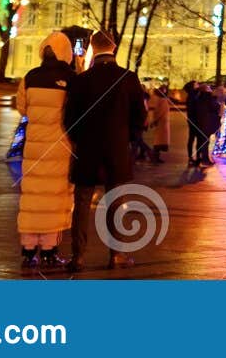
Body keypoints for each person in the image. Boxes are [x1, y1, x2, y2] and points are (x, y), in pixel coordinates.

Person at [63, 31, 148, 271]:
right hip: (116, 151)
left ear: (93, 47)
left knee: (81, 204)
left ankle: (78, 256)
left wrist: (81, 140)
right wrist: (127, 140)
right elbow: (139, 117)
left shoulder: (81, 80)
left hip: (87, 151)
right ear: (114, 47)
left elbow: (69, 119)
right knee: (116, 203)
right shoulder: (128, 79)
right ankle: (116, 254)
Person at [17, 32, 76, 272]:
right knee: (54, 198)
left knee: (31, 197)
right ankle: (50, 250)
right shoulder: (70, 78)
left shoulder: (30, 77)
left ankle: (29, 249)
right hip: (59, 146)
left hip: (33, 147)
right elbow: (75, 111)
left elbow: (22, 108)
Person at [147, 84, 172, 163]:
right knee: (158, 141)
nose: (165, 91)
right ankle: (154, 157)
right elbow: (158, 111)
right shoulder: (160, 99)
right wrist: (154, 121)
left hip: (163, 123)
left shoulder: (162, 98)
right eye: (163, 89)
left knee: (159, 141)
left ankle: (156, 157)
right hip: (161, 123)